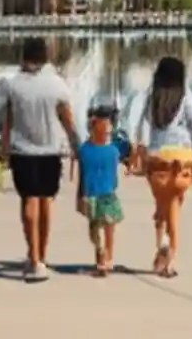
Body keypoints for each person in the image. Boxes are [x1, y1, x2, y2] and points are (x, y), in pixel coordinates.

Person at [0, 37, 80, 281]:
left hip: (22, 151)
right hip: (51, 151)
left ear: (23, 56)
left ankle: (33, 257)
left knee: (29, 201)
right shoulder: (57, 85)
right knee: (46, 202)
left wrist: (2, 147)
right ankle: (42, 254)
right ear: (45, 57)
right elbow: (67, 117)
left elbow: (5, 120)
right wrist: (76, 144)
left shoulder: (11, 85)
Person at [133, 56, 192, 278]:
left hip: (158, 162)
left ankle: (162, 244)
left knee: (162, 204)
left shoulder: (153, 98)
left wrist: (141, 153)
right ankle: (169, 260)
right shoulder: (188, 98)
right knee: (175, 206)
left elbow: (142, 127)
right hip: (182, 161)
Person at [76, 104, 127, 277]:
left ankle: (106, 260)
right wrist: (80, 195)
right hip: (91, 194)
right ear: (93, 126)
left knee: (109, 228)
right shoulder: (85, 149)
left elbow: (131, 150)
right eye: (103, 125)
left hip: (108, 194)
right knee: (95, 230)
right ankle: (101, 254)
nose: (107, 129)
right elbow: (82, 174)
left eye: (109, 126)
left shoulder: (114, 148)